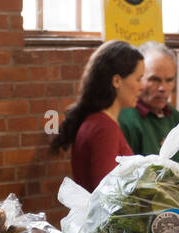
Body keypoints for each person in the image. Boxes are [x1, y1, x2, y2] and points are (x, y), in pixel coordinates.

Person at [50, 40, 143, 190]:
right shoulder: (104, 128)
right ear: (117, 80)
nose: (141, 86)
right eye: (138, 79)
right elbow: (106, 195)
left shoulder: (97, 122)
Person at [118, 41, 179, 166]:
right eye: (155, 79)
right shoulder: (125, 119)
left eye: (169, 80)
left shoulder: (176, 118)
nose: (162, 88)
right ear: (138, 78)